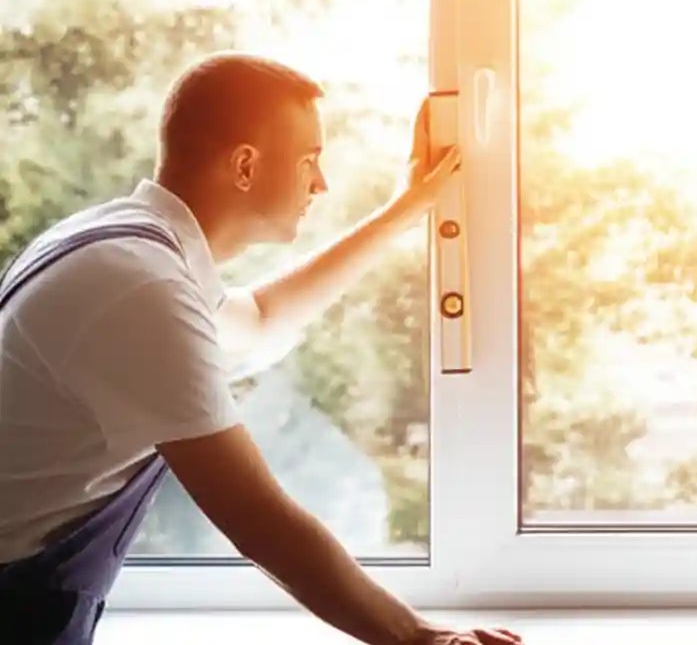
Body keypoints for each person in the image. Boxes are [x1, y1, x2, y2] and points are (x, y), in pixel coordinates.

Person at [0, 52, 521, 645]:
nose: (320, 184)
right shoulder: (140, 288)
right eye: (309, 161)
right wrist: (419, 636)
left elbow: (263, 319)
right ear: (245, 165)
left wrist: (403, 212)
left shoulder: (129, 248)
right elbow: (258, 521)